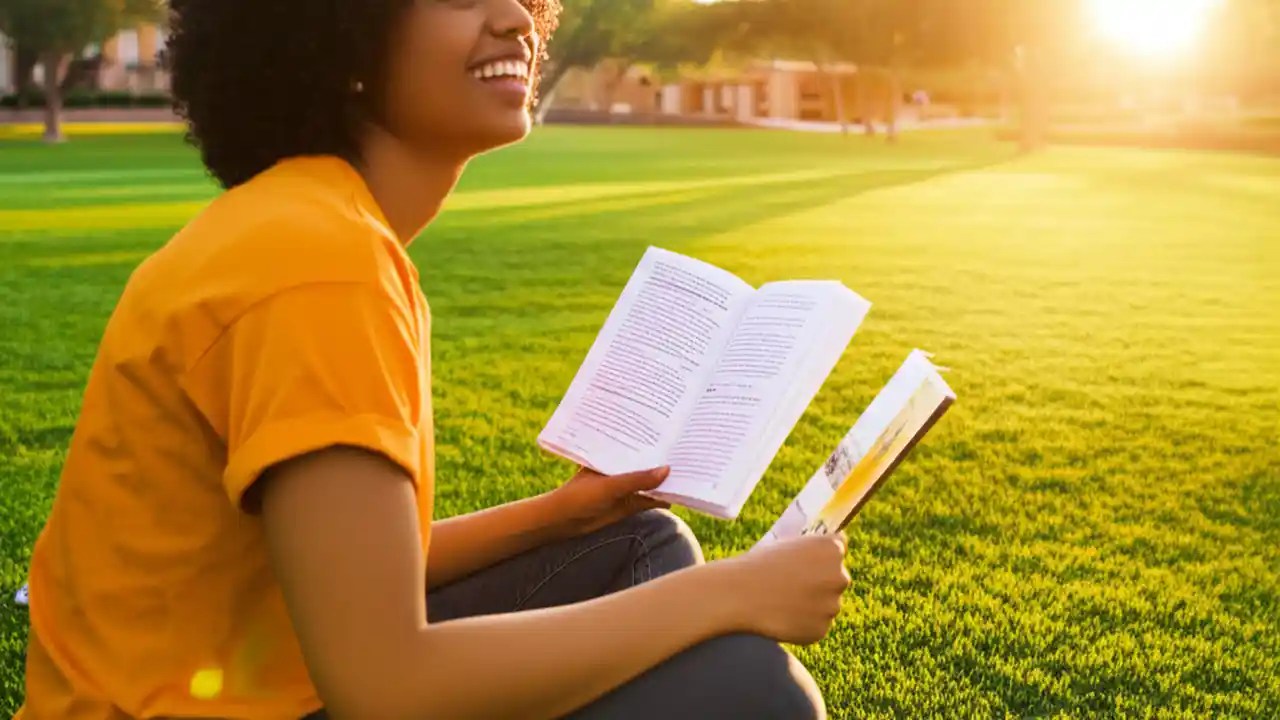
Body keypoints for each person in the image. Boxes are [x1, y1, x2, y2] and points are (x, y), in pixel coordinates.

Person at [17, 1, 852, 718]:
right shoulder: (317, 266)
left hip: (248, 670)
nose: (516, 18)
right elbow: (385, 690)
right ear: (342, 37)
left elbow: (339, 573)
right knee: (753, 688)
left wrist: (560, 517)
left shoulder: (313, 227)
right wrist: (730, 593)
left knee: (639, 547)